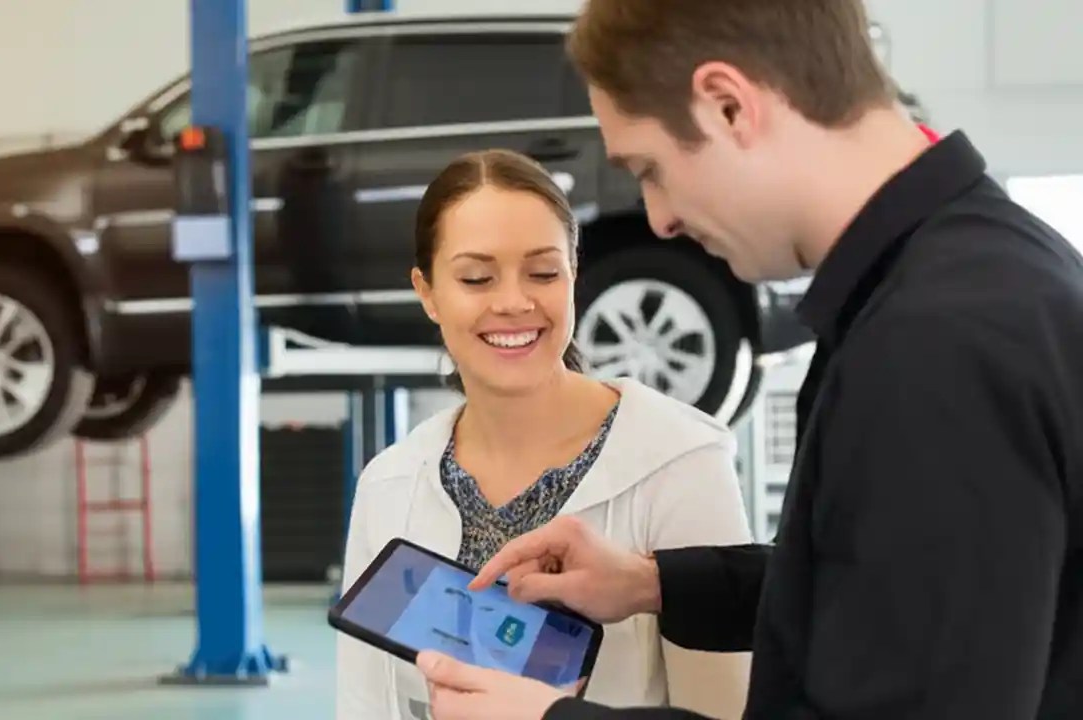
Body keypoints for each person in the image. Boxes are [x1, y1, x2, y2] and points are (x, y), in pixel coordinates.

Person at [414, 1, 1083, 718]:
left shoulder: (936, 346)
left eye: (651, 169)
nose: (660, 217)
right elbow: (888, 586)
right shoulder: (980, 271)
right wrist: (654, 584)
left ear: (729, 106)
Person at [334, 148, 756, 720]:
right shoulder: (389, 485)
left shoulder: (679, 462)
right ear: (427, 292)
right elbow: (365, 704)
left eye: (543, 272)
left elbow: (723, 713)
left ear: (574, 278)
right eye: (476, 277)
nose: (513, 302)